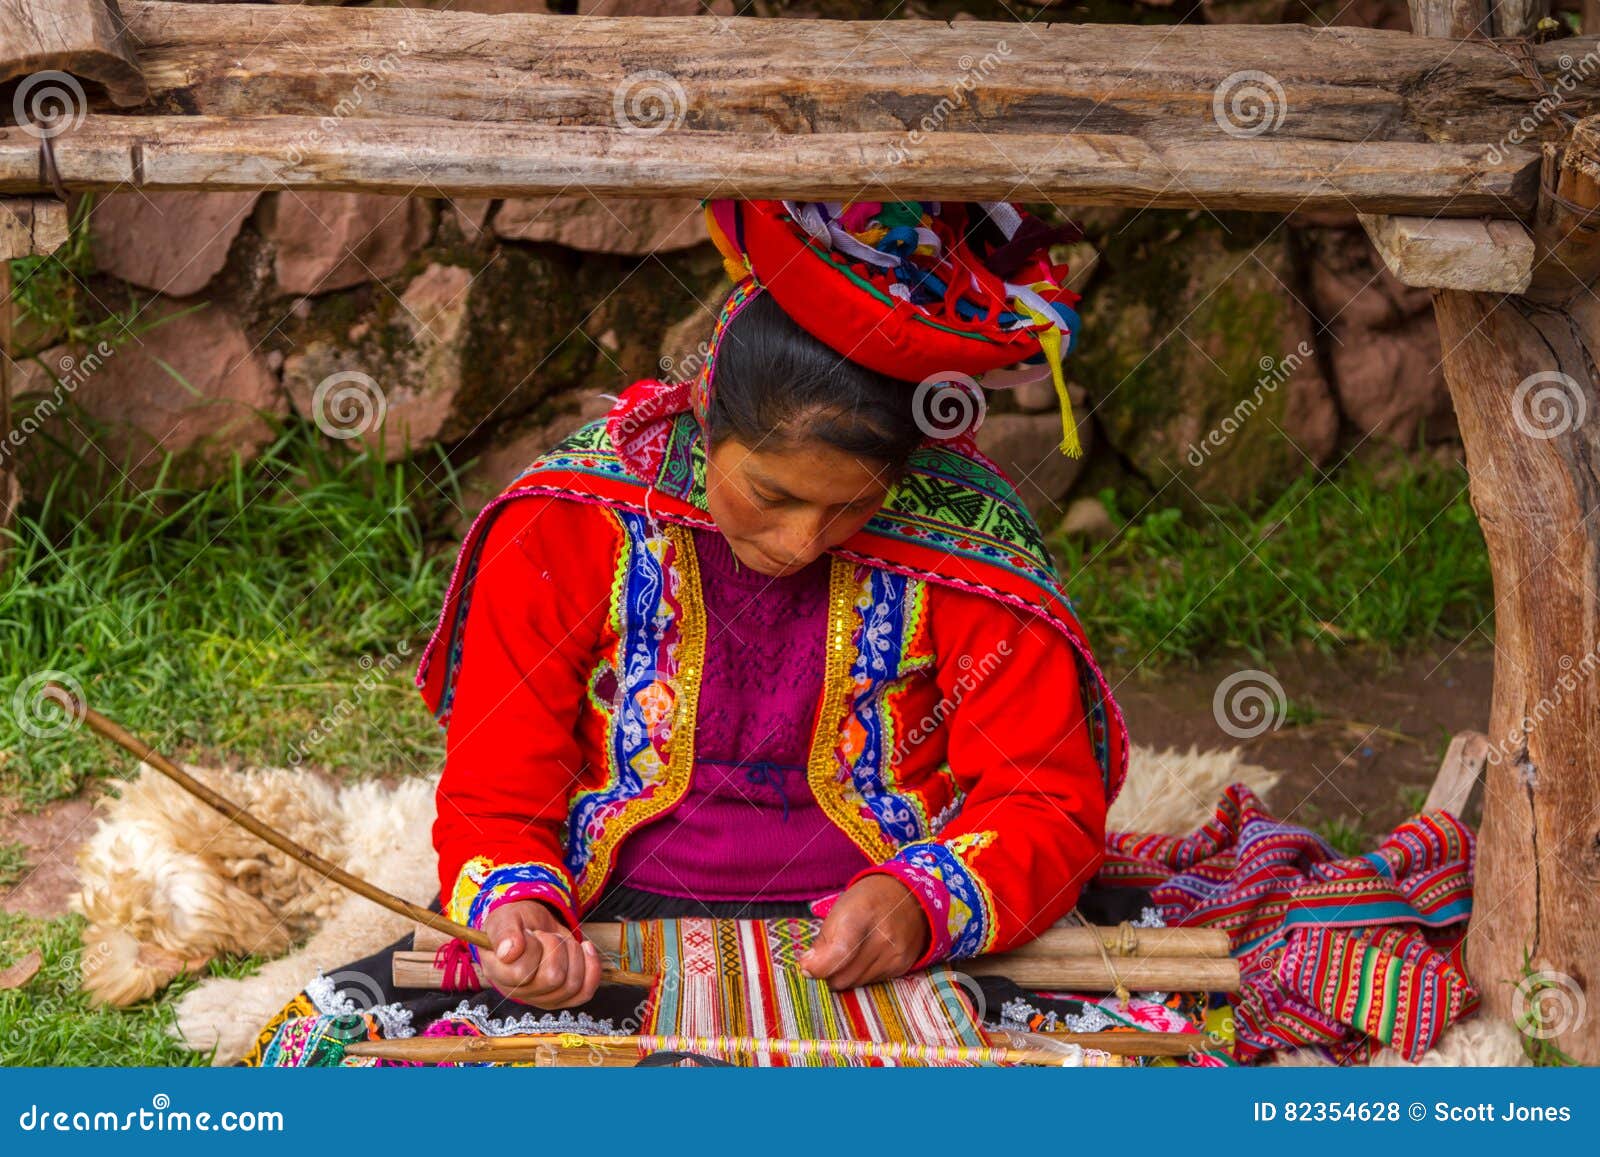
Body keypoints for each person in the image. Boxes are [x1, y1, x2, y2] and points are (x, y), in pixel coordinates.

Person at [245, 199, 1150, 1065]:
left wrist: (919, 901)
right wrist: (519, 905)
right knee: (339, 1057)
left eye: (851, 508)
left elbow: (1044, 800)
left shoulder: (965, 550)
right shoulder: (570, 524)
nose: (802, 542)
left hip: (888, 939)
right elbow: (496, 783)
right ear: (704, 415)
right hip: (608, 930)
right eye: (772, 493)